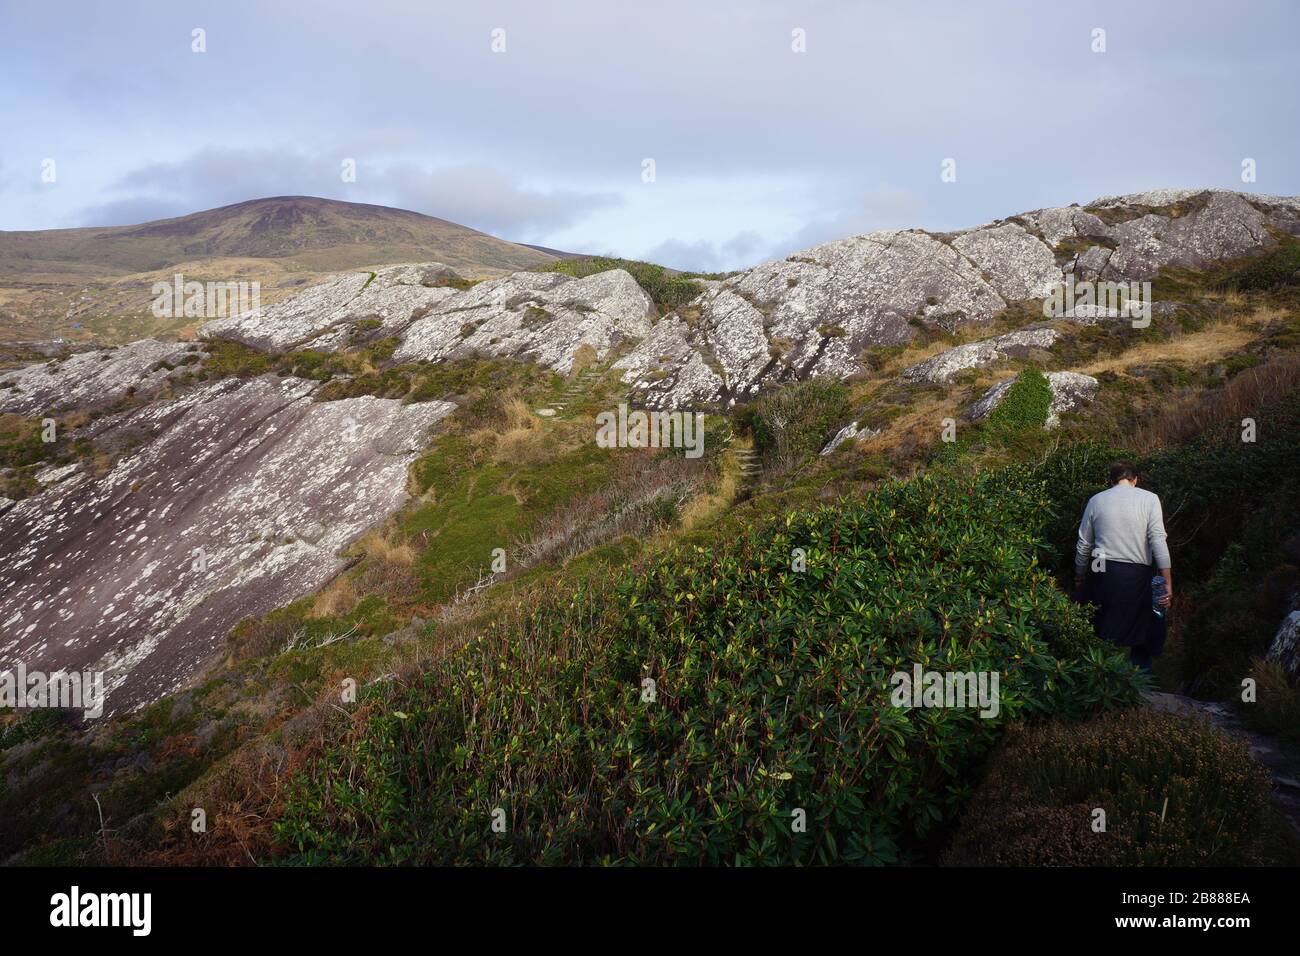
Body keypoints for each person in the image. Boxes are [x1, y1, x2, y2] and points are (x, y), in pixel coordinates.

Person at [1073, 461, 1173, 671]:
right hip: (1137, 572)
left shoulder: (1096, 500)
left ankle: (1096, 678)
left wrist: (1080, 575)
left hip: (1102, 569)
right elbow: (1157, 540)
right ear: (1135, 480)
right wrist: (1167, 582)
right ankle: (1140, 685)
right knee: (1143, 631)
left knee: (1097, 626)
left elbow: (1084, 544)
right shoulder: (1150, 499)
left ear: (1111, 481)